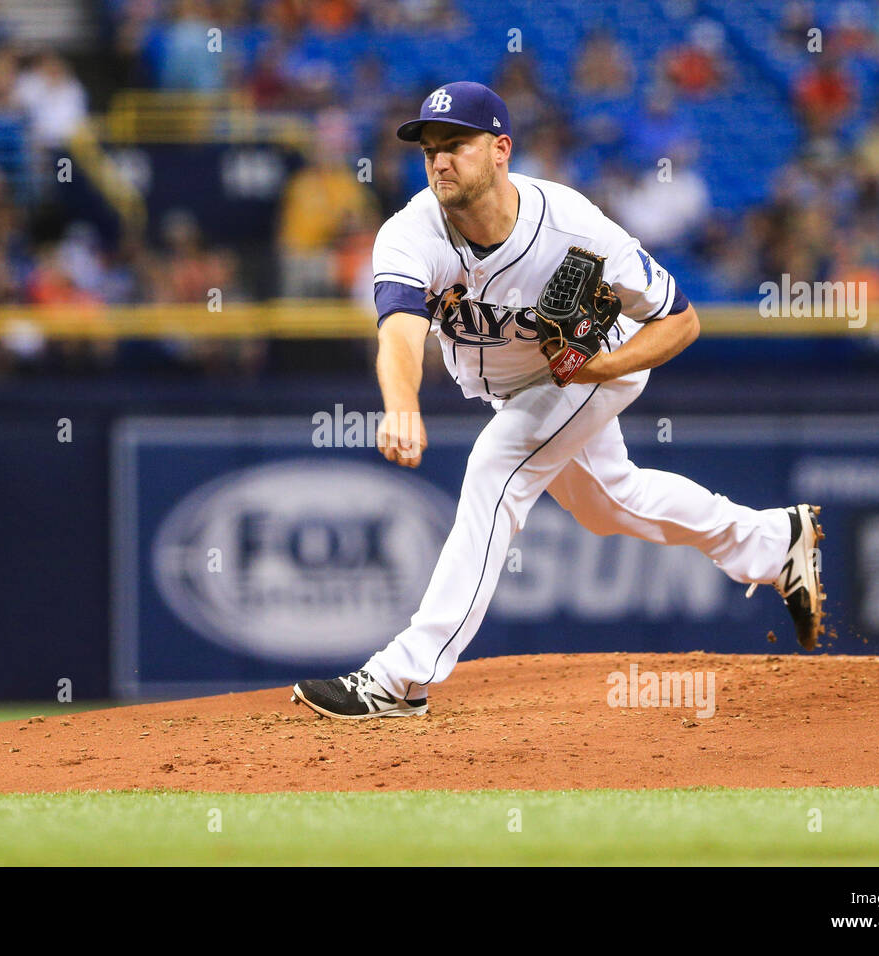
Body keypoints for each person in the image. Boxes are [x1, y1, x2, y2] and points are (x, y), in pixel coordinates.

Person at [292, 82, 825, 719]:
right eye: (429, 148)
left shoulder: (572, 226)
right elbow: (400, 330)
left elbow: (680, 320)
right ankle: (773, 540)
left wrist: (604, 364)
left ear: (500, 150)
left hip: (589, 368)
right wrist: (401, 404)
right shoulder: (411, 233)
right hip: (516, 386)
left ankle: (402, 679)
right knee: (611, 504)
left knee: (496, 472)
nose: (439, 160)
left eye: (456, 144)